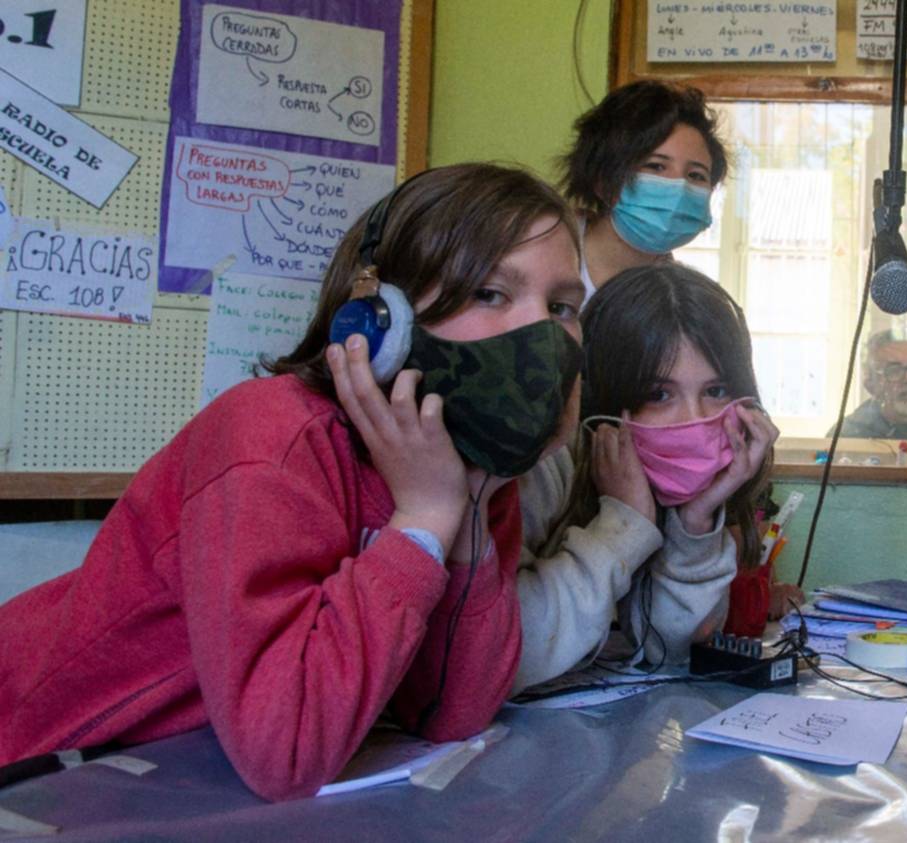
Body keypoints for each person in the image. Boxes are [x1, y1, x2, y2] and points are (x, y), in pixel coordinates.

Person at [0, 164, 587, 801]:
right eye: (491, 293)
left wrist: (467, 509)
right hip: (36, 764)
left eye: (561, 308)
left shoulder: (462, 465)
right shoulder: (270, 433)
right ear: (377, 321)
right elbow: (287, 751)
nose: (543, 336)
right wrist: (421, 520)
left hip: (177, 778)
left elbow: (450, 712)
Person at [511, 263, 778, 690]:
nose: (694, 420)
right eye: (659, 394)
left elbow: (671, 654)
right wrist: (624, 522)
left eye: (715, 391)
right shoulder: (544, 464)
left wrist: (695, 523)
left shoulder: (689, 490)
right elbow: (510, 654)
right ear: (607, 394)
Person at [559, 80, 730, 296]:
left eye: (696, 175)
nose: (679, 188)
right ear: (602, 179)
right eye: (655, 166)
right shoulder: (542, 252)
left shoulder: (679, 297)